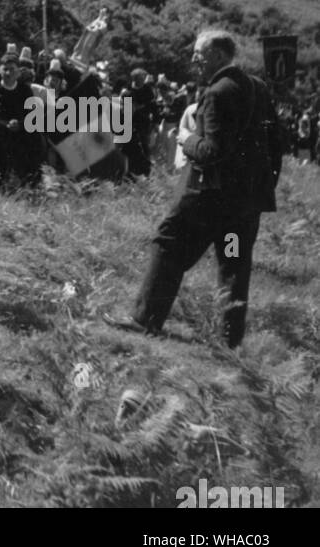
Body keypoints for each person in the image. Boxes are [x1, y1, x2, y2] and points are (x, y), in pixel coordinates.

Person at [105, 28, 282, 348]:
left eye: (198, 55)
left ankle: (145, 319)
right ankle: (228, 343)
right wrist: (261, 190)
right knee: (233, 266)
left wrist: (187, 140)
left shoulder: (218, 92)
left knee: (168, 243)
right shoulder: (257, 88)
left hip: (207, 199)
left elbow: (213, 151)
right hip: (245, 206)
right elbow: (276, 146)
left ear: (217, 55)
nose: (193, 60)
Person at [0, 47, 43, 192]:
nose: (8, 73)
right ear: (0, 71)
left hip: (21, 139)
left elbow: (32, 118)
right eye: (5, 69)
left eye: (12, 69)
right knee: (0, 180)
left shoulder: (25, 91)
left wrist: (20, 124)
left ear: (18, 72)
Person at [119, 67, 155, 178]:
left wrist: (155, 121)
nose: (143, 79)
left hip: (143, 123)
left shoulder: (147, 90)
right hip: (129, 123)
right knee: (127, 147)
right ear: (136, 78)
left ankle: (146, 172)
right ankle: (128, 171)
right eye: (142, 77)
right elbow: (123, 105)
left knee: (144, 146)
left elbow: (152, 106)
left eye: (143, 77)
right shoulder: (127, 90)